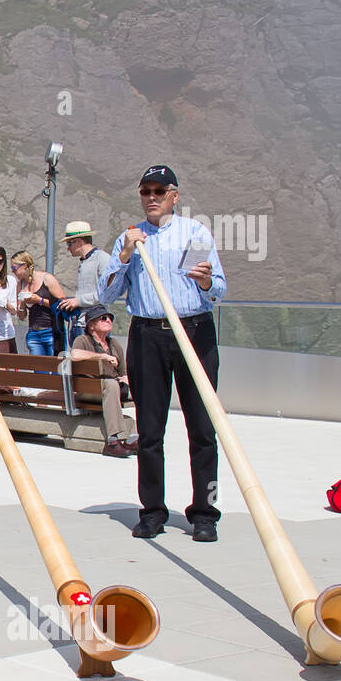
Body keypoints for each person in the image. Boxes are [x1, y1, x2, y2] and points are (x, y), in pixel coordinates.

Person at [99, 164, 226, 542]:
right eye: (145, 191)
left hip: (194, 332)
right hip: (148, 335)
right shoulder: (131, 238)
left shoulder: (194, 233)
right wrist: (124, 255)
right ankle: (152, 511)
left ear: (174, 195)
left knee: (203, 429)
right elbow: (106, 295)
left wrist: (206, 282)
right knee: (150, 431)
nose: (151, 197)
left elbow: (217, 289)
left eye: (159, 191)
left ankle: (205, 513)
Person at [69, 305, 136, 458]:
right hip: (89, 390)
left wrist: (126, 380)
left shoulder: (114, 344)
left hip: (112, 388)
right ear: (91, 325)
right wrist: (103, 357)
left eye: (110, 318)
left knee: (143, 389)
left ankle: (137, 437)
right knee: (111, 385)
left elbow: (123, 373)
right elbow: (75, 354)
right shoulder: (83, 340)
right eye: (103, 318)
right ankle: (112, 441)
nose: (108, 320)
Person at [55, 221, 111, 351]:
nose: (68, 248)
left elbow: (107, 293)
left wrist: (78, 301)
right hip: (81, 323)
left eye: (69, 243)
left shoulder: (102, 259)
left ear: (79, 242)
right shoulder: (85, 262)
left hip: (95, 325)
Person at [11, 250, 67, 356]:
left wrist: (39, 300)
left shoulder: (47, 278)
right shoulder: (20, 285)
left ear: (25, 266)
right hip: (33, 333)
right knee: (37, 365)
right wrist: (22, 303)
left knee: (54, 365)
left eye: (14, 268)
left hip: (51, 331)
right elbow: (21, 317)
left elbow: (62, 303)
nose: (13, 272)